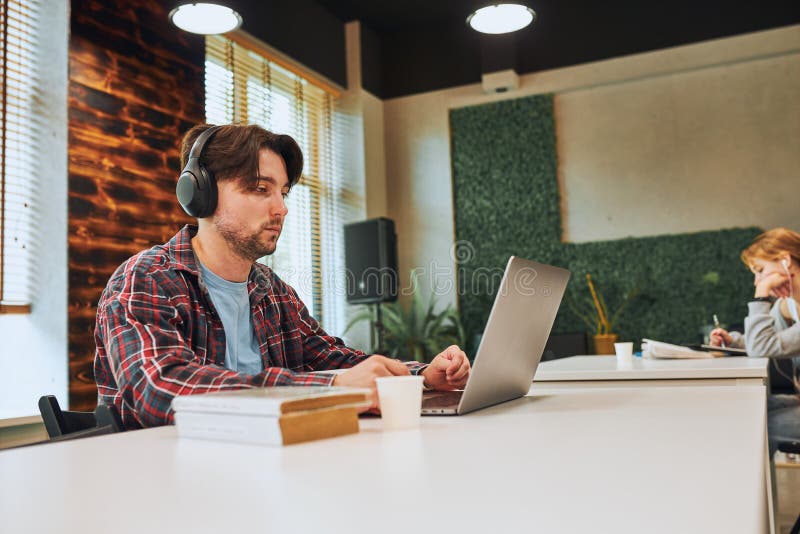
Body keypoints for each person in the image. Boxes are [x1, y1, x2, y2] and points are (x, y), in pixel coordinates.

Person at [94, 124, 470, 430]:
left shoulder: (271, 290)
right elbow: (161, 390)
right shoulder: (146, 280)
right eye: (261, 189)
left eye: (284, 193)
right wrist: (331, 388)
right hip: (166, 480)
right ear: (200, 194)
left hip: (265, 465)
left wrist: (420, 376)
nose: (281, 208)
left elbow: (331, 359)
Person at [709, 227, 800, 455]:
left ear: (786, 261)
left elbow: (762, 346)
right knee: (750, 407)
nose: (757, 280)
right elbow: (766, 338)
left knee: (756, 426)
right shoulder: (789, 304)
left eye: (760, 271)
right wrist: (732, 341)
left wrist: (762, 293)